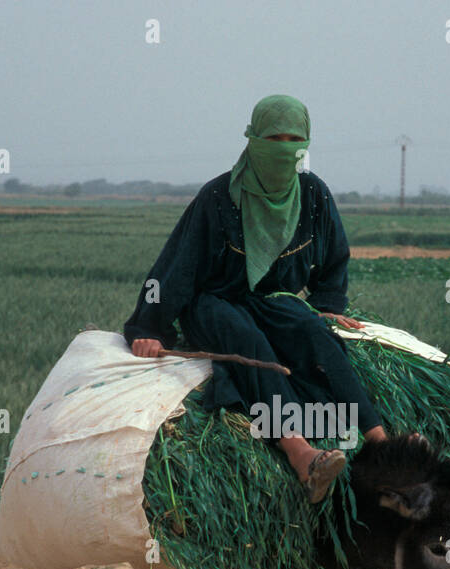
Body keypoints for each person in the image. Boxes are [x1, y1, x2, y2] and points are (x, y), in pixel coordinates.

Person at [123, 94, 389, 503]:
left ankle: (382, 443)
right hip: (212, 302)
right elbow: (175, 267)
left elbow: (334, 257)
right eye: (273, 138)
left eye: (293, 139)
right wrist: (148, 328)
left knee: (314, 333)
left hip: (272, 299)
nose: (283, 148)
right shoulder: (218, 197)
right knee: (250, 343)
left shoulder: (312, 194)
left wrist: (329, 306)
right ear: (252, 139)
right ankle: (301, 454)